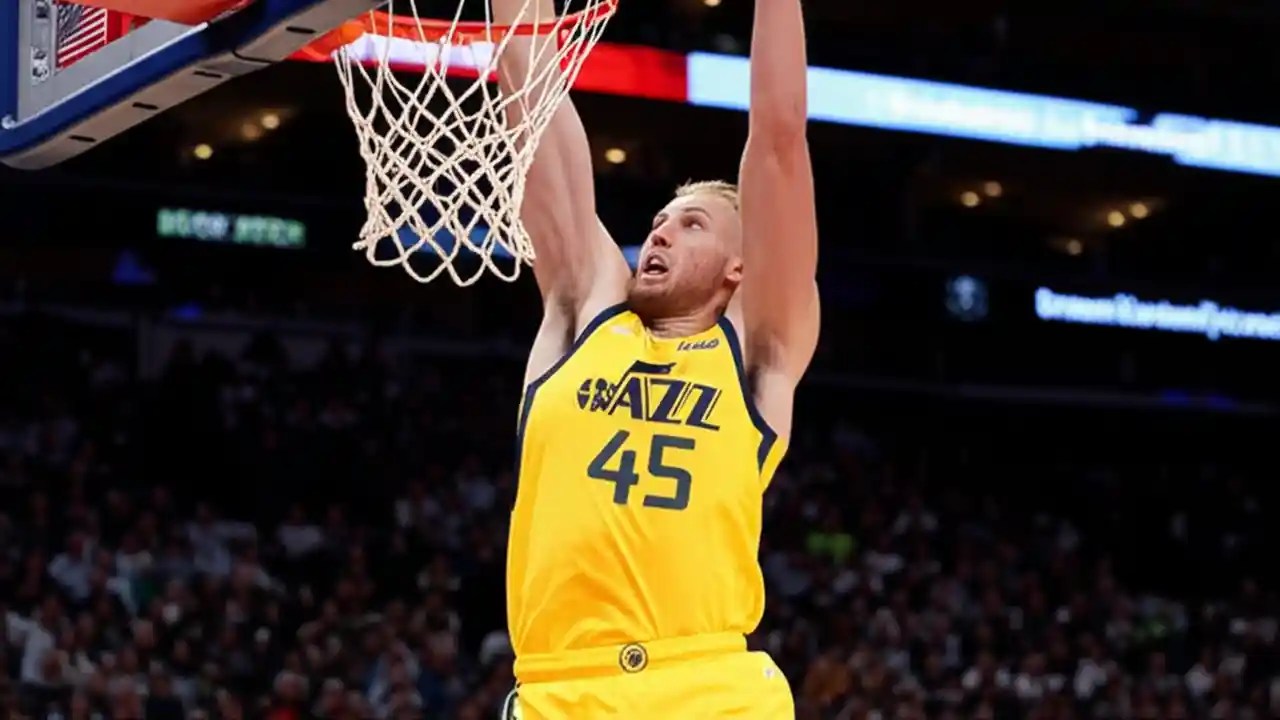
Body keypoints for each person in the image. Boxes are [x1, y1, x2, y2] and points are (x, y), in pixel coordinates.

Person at [496, 0, 818, 716]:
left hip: (707, 687)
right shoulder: (586, 312)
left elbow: (779, 142)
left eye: (690, 224)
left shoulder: (755, 354)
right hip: (561, 688)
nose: (659, 235)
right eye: (658, 223)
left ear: (740, 268)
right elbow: (531, 86)